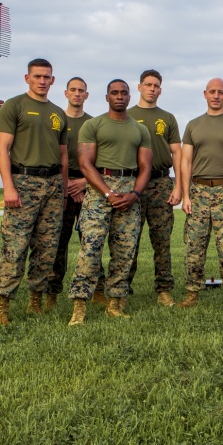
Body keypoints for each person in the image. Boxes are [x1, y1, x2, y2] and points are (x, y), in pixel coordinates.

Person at [68, 80, 152, 325]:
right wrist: (107, 192)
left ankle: (115, 304)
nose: (119, 97)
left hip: (129, 191)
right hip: (99, 192)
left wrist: (134, 194)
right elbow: (85, 163)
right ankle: (79, 307)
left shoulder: (139, 129)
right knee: (90, 250)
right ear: (106, 97)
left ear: (129, 96)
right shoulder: (93, 125)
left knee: (124, 252)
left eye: (123, 93)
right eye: (114, 93)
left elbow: (145, 166)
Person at [0, 58, 68, 325]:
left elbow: (63, 155)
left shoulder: (58, 112)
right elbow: (1, 149)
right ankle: (2, 303)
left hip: (53, 185)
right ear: (27, 78)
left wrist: (63, 189)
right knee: (15, 245)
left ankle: (36, 300)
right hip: (23, 182)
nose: (42, 81)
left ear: (53, 80)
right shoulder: (14, 106)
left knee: (47, 247)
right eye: (37, 76)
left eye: (47, 77)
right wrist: (8, 187)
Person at [179, 78, 223, 310]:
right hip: (198, 191)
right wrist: (186, 195)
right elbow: (186, 161)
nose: (216, 96)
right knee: (194, 245)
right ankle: (192, 292)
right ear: (205, 94)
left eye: (221, 92)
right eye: (212, 92)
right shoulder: (193, 125)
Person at [127, 70, 183, 307]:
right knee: (129, 239)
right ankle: (122, 288)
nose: (152, 88)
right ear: (139, 87)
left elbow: (177, 153)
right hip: (132, 184)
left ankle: (164, 290)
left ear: (160, 90)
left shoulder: (167, 118)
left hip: (161, 183)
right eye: (148, 84)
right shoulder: (126, 116)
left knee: (162, 240)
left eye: (156, 85)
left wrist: (178, 185)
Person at [49, 76, 93, 311]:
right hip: (61, 187)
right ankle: (51, 293)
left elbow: (101, 160)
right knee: (58, 243)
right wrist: (66, 187)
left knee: (91, 242)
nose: (77, 94)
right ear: (65, 93)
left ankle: (97, 291)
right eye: (73, 90)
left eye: (81, 91)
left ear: (87, 95)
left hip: (88, 188)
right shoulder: (56, 120)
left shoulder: (94, 123)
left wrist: (84, 183)